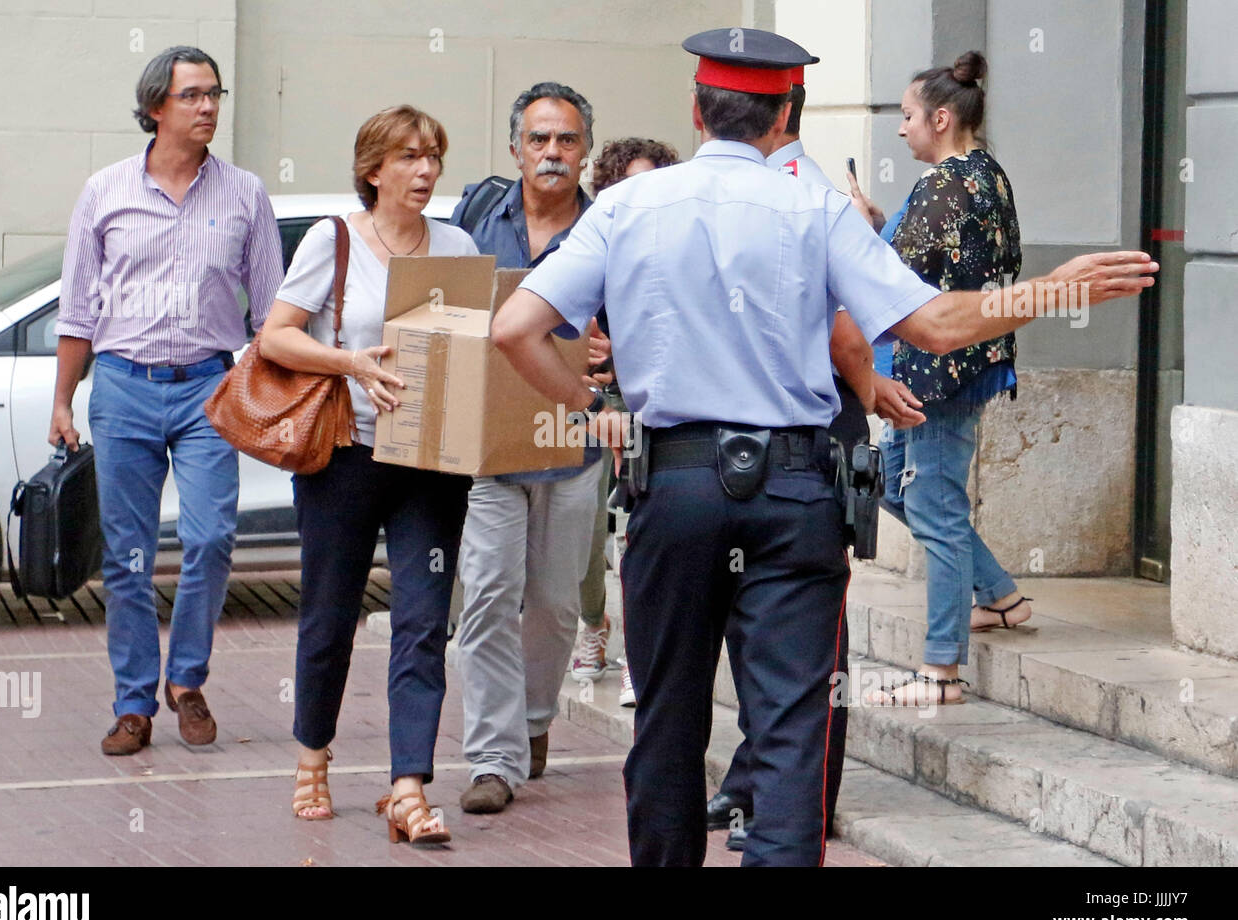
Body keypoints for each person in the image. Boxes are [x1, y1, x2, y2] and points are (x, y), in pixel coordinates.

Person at [489, 27, 1156, 866]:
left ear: (697, 112)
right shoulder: (816, 207)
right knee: (791, 727)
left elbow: (514, 328)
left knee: (665, 721)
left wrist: (591, 409)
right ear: (783, 120)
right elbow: (932, 324)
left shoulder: (628, 205)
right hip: (791, 494)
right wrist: (1054, 290)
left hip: (675, 487)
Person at [51, 46, 283, 756]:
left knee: (211, 538)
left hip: (209, 388)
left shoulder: (244, 194)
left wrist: (270, 392)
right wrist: (62, 403)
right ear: (156, 107)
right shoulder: (105, 191)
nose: (209, 106)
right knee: (127, 554)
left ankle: (185, 679)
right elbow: (77, 309)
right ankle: (133, 703)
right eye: (193, 95)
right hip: (123, 386)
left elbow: (271, 311)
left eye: (215, 93)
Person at [258, 106, 477, 843]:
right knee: (330, 614)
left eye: (433, 156)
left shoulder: (456, 245)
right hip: (344, 455)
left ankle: (408, 786)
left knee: (423, 619)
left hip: (430, 461)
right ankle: (312, 754)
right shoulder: (335, 240)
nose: (425, 170)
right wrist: (350, 361)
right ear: (373, 169)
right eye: (409, 156)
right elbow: (276, 336)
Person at [708, 59, 875, 851]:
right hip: (781, 442)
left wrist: (870, 387)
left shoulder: (806, 200)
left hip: (809, 433)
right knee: (768, 641)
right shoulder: (799, 197)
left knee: (797, 646)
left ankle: (796, 799)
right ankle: (761, 789)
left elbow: (847, 335)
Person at [849, 52, 1033, 706]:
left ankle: (941, 672)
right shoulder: (987, 174)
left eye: (908, 116)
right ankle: (1000, 596)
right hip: (964, 363)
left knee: (934, 506)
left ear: (942, 118)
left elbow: (891, 280)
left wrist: (858, 234)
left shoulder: (942, 186)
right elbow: (939, 264)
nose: (902, 128)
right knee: (897, 490)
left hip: (936, 372)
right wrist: (880, 228)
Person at [447, 81, 602, 814]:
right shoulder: (476, 220)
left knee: (554, 602)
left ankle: (535, 720)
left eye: (567, 139)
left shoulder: (608, 229)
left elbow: (646, 322)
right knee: (486, 596)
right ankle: (493, 758)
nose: (552, 152)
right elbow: (440, 305)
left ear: (585, 151)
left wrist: (614, 352)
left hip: (575, 439)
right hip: (490, 442)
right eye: (539, 139)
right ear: (515, 149)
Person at [569, 136, 680, 708]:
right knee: (588, 536)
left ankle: (640, 658)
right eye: (630, 184)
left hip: (655, 411)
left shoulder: (683, 247)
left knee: (636, 536)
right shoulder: (596, 244)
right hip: (595, 404)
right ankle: (594, 621)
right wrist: (590, 351)